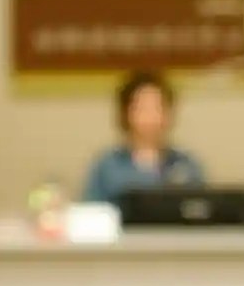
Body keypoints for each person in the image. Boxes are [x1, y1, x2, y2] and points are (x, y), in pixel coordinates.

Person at [81, 70, 206, 206]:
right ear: (125, 113)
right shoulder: (107, 166)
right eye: (142, 108)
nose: (150, 117)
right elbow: (90, 215)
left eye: (157, 107)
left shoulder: (187, 165)